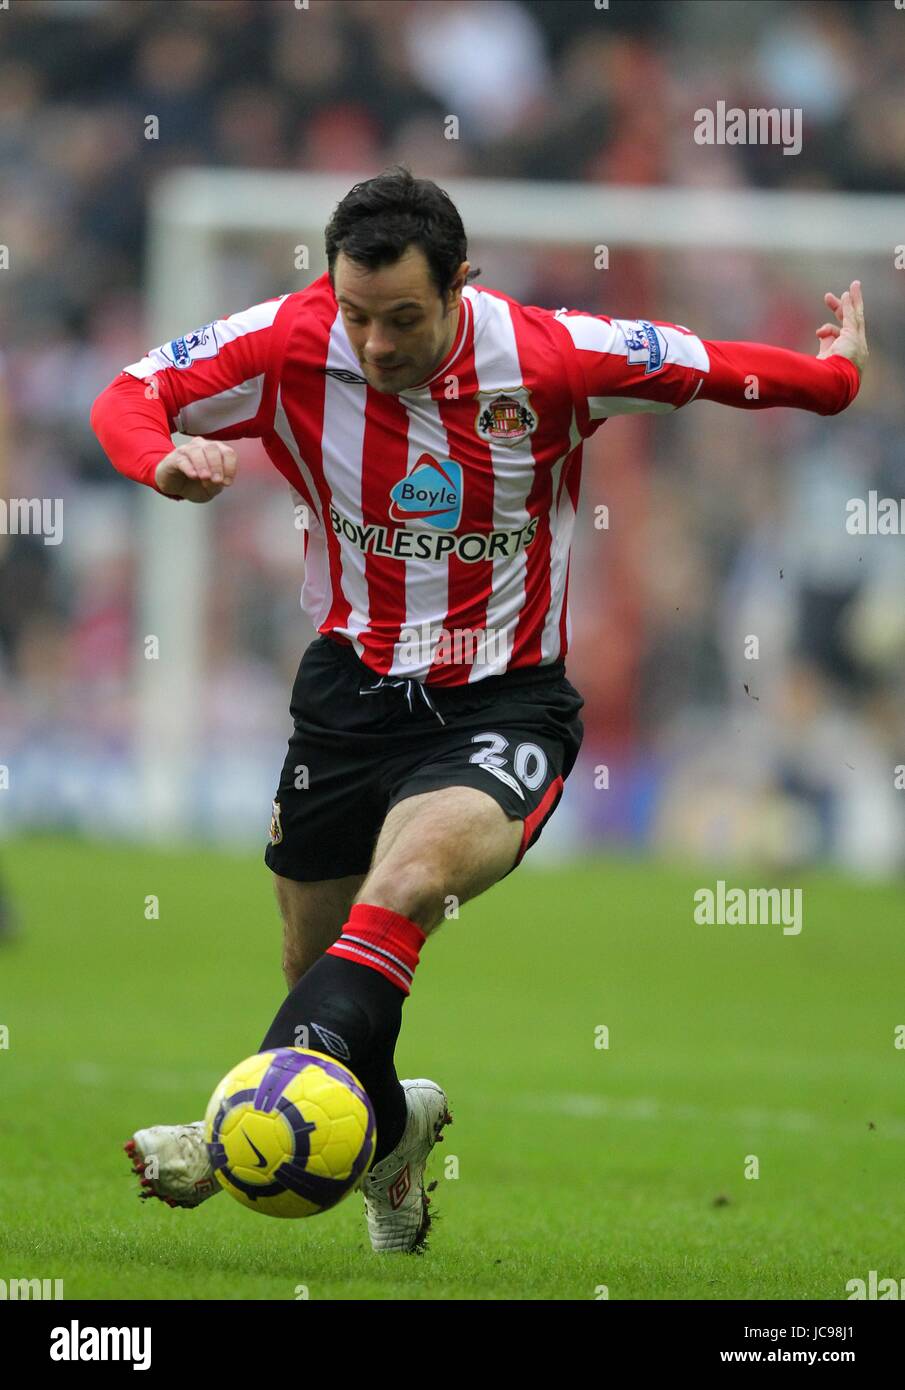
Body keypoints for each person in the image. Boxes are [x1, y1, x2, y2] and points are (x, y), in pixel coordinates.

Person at [90, 166, 868, 1253]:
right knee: (321, 973)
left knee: (405, 884)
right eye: (356, 315)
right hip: (345, 699)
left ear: (462, 284)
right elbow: (128, 391)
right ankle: (394, 1131)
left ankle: (225, 1141)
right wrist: (159, 460)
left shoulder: (546, 357)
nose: (373, 343)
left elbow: (713, 368)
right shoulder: (288, 340)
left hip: (503, 701)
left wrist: (831, 377)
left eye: (402, 318)